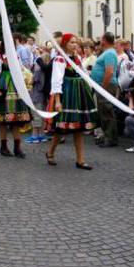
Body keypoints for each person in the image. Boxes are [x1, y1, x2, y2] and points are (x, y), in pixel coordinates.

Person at [45, 34, 98, 170]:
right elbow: (56, 80)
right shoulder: (60, 58)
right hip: (67, 95)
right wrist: (57, 101)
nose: (74, 45)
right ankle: (50, 152)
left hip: (79, 94)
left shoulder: (77, 58)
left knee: (78, 128)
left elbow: (83, 73)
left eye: (75, 42)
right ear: (64, 44)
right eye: (71, 42)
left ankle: (80, 160)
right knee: (61, 128)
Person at [0, 41, 31, 158]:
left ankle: (17, 147)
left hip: (16, 86)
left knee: (16, 119)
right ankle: (3, 146)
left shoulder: (15, 56)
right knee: (3, 120)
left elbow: (21, 69)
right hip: (4, 86)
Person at [91, 32, 119, 148]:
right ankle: (106, 135)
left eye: (101, 38)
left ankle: (111, 138)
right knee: (103, 111)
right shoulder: (107, 52)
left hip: (107, 85)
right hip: (103, 85)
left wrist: (103, 86)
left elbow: (110, 71)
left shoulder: (110, 53)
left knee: (107, 111)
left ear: (105, 40)